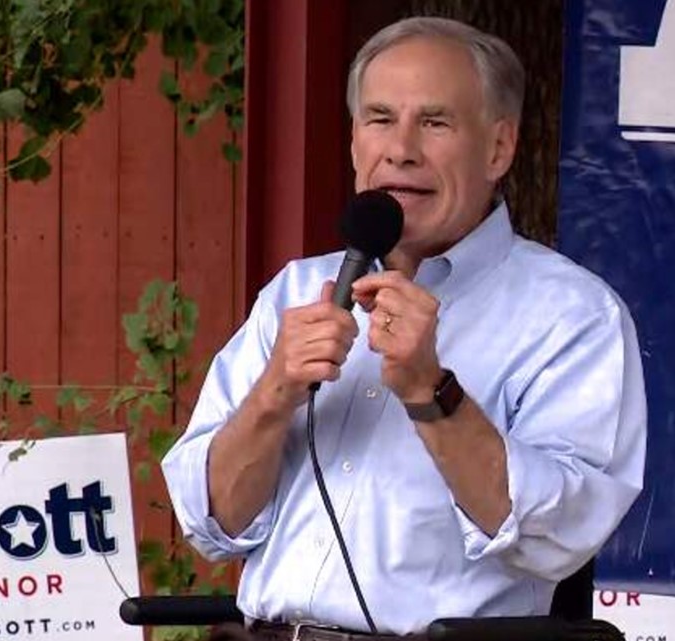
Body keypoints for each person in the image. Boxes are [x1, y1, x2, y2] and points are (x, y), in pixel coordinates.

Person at [161, 16, 647, 638]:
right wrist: (273, 394)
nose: (401, 148)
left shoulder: (572, 315)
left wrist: (431, 390)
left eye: (435, 122)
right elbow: (212, 524)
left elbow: (556, 539)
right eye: (380, 119)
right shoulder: (294, 291)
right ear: (356, 140)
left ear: (499, 148)